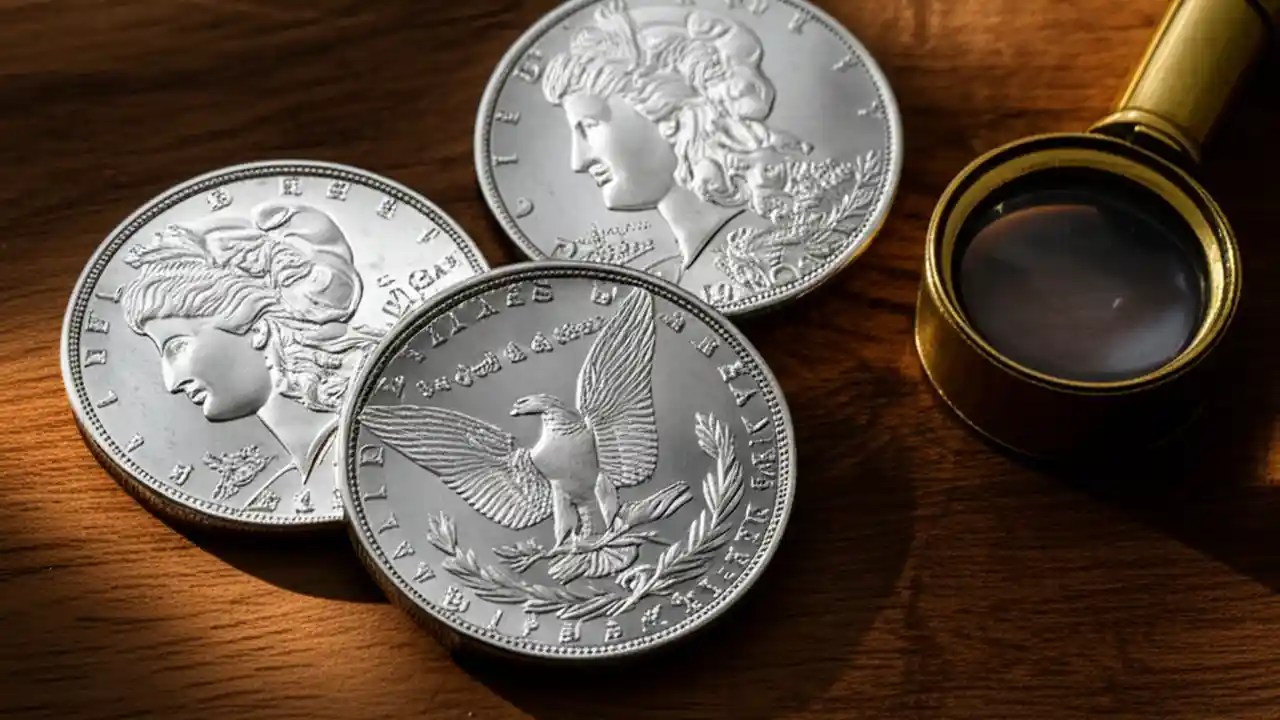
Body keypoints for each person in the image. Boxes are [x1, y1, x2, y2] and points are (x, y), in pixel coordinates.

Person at [542, 0, 856, 286]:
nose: (578, 161)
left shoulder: (768, 244)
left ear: (674, 117)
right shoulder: (699, 258)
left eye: (589, 126)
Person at [121, 202, 378, 504]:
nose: (171, 382)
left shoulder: (375, 448)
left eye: (177, 346)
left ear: (258, 329)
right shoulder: (306, 474)